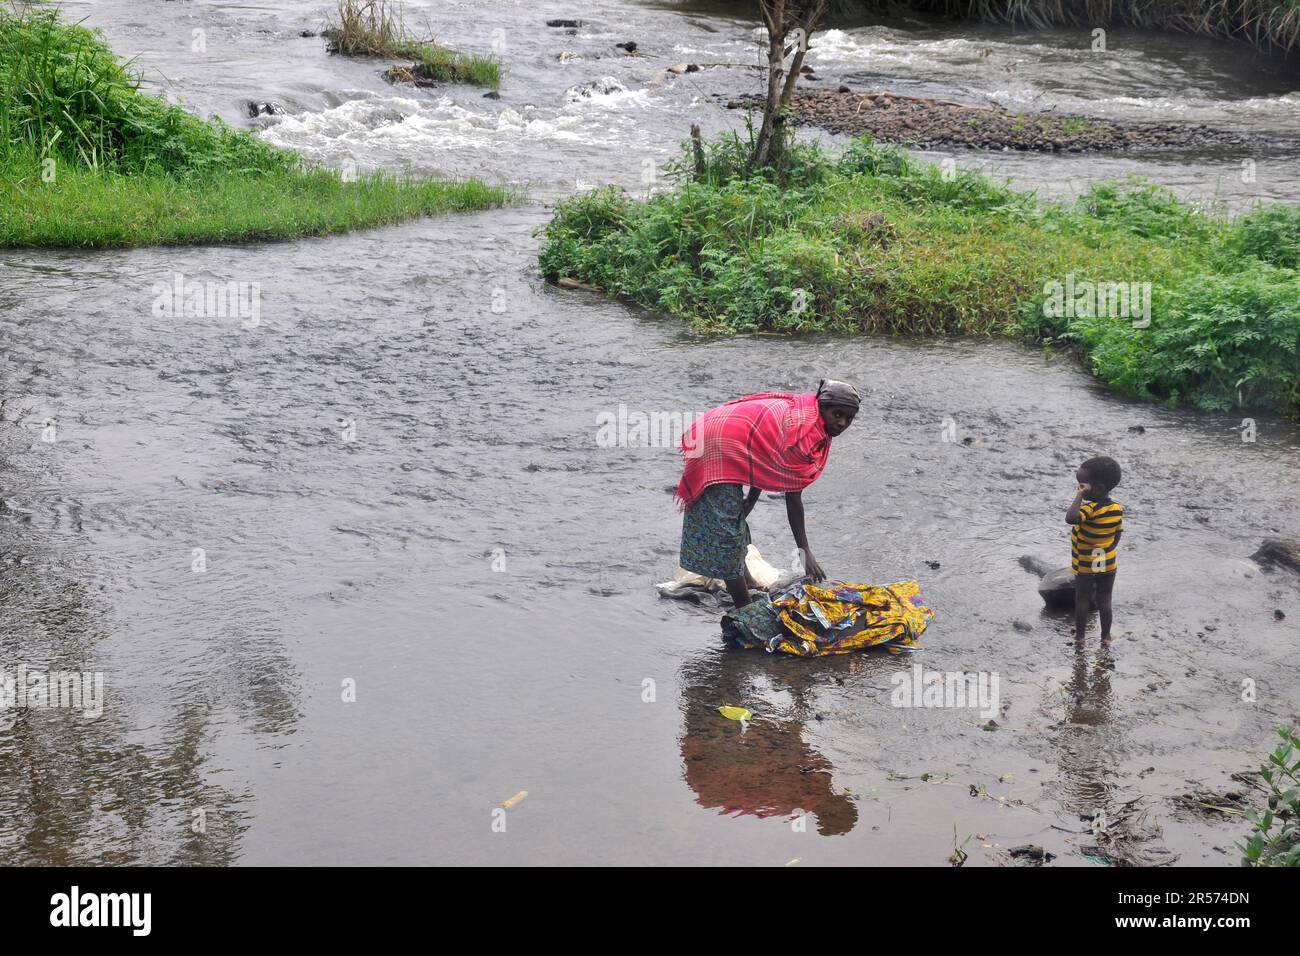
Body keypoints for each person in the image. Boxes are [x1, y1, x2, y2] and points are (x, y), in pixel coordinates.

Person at [676, 380, 859, 609]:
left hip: (730, 435)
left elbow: (765, 455)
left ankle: (749, 582)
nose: (842, 423)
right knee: (725, 534)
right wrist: (804, 552)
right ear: (822, 408)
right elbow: (793, 498)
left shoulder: (810, 418)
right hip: (715, 441)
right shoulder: (802, 435)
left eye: (849, 419)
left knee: (733, 518)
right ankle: (745, 608)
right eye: (837, 414)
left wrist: (750, 501)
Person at [1065, 456, 1124, 649]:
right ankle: (1106, 636)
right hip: (1107, 563)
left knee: (1082, 599)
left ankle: (1080, 637)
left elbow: (1071, 518)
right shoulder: (1117, 508)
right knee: (1105, 599)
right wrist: (1108, 550)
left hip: (1086, 564)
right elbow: (1117, 534)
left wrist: (1079, 496)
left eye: (1082, 484)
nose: (1079, 487)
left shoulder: (1089, 509)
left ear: (1096, 488)